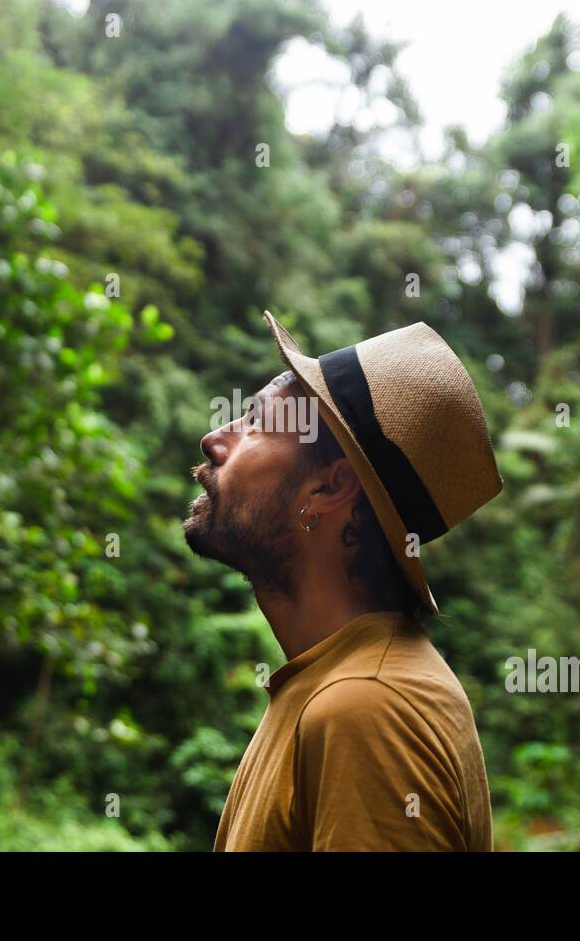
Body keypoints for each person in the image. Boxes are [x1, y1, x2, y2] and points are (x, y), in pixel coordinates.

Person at [184, 310, 505, 851]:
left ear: (328, 490)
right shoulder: (331, 686)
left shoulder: (366, 709)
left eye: (256, 423)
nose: (214, 439)